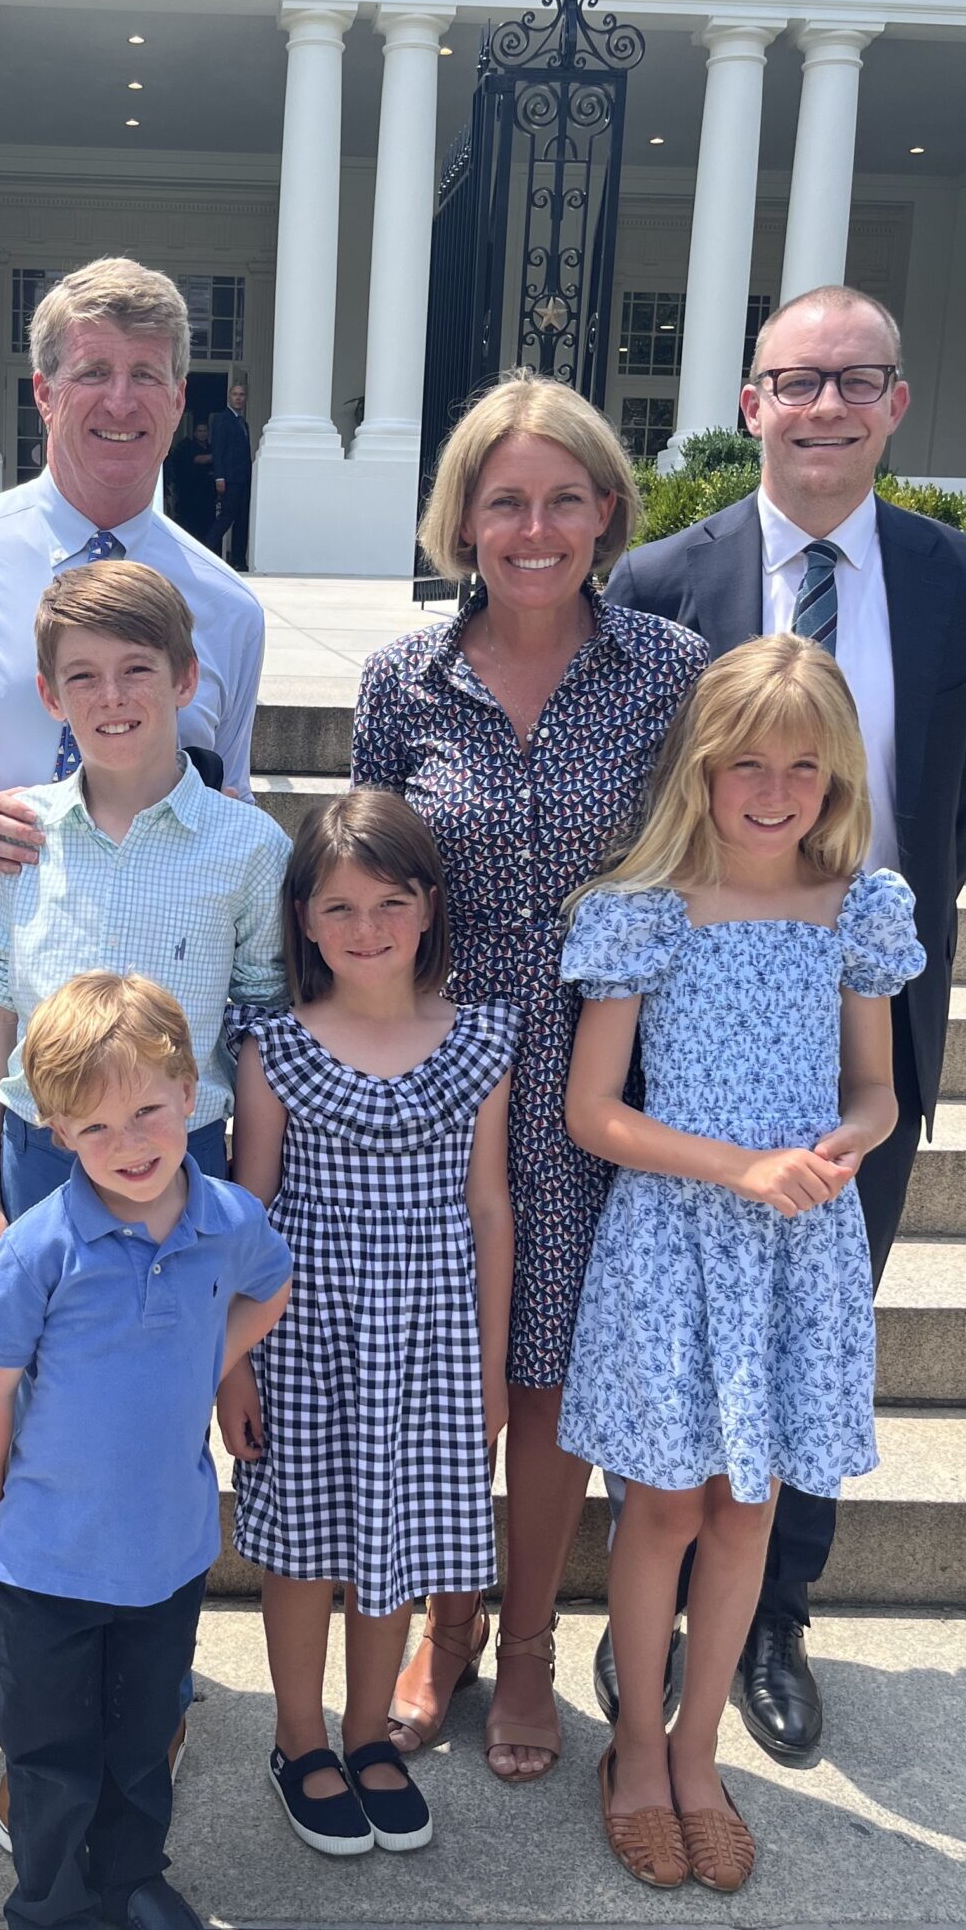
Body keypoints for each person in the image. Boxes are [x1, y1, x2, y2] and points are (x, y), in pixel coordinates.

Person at [0, 258, 266, 1755]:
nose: (120, 401)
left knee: (134, 1314)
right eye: (92, 371)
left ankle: (116, 1605)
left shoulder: (221, 605)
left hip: (156, 1035)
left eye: (149, 375)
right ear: (42, 389)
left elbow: (225, 808)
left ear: (182, 399)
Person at [602, 284, 966, 1762]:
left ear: (896, 403)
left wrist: (867, 974)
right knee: (674, 1355)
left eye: (857, 380)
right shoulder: (660, 580)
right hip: (688, 1040)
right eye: (798, 380)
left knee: (817, 1331)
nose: (826, 405)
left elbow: (954, 811)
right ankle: (649, 1612)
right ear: (751, 404)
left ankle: (773, 1611)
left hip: (861, 1021)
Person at [353, 374, 705, 1781]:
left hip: (598, 1075)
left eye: (565, 498)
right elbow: (366, 879)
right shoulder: (402, 680)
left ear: (609, 512)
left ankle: (535, 1646)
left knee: (549, 1377)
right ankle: (448, 1630)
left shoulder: (670, 671)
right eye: (506, 501)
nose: (537, 527)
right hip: (438, 1073)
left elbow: (712, 865)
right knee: (450, 1365)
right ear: (464, 520)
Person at [558, 637, 923, 1889]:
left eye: (804, 769)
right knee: (663, 1503)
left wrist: (847, 1140)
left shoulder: (856, 909)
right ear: (703, 769)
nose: (775, 792)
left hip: (797, 1251)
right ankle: (634, 1753)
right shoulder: (645, 909)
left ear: (838, 778)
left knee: (747, 1506)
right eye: (748, 765)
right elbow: (593, 1112)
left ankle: (699, 1750)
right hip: (674, 1242)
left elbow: (876, 1088)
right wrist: (737, 1166)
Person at [0, 555, 289, 1845]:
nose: (113, 699)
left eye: (137, 672)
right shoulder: (18, 838)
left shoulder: (244, 847)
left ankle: (153, 1692)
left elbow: (256, 1032)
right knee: (47, 1422)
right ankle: (39, 1720)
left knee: (156, 1423)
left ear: (187, 680)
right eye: (84, 678)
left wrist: (241, 1214)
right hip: (44, 1161)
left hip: (183, 1166)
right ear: (50, 694)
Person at [0, 973, 291, 1930]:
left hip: (167, 1552)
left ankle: (132, 1876)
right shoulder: (38, 1248)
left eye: (149, 1110)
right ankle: (51, 1915)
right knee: (50, 1751)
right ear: (57, 1132)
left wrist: (212, 1358)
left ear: (192, 1093)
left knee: (145, 1737)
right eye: (96, 1126)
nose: (131, 1142)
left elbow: (272, 1282)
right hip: (47, 1561)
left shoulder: (226, 1219)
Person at [223, 792, 517, 1857]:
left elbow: (490, 1208)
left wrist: (490, 1369)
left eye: (390, 902)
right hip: (305, 1336)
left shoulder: (479, 1039)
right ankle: (299, 1737)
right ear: (304, 919)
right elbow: (248, 1211)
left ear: (429, 907)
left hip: (431, 1339)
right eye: (340, 907)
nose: (367, 927)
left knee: (396, 1542)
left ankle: (366, 1733)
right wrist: (232, 1366)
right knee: (303, 1546)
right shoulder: (274, 1049)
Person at [210, 380, 253, 571]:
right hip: (230, 479)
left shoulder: (243, 423)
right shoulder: (222, 419)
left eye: (241, 395)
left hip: (243, 479)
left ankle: (239, 560)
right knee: (226, 517)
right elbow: (218, 449)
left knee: (242, 520)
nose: (238, 398)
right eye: (235, 394)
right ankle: (207, 550)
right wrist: (219, 477)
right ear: (229, 397)